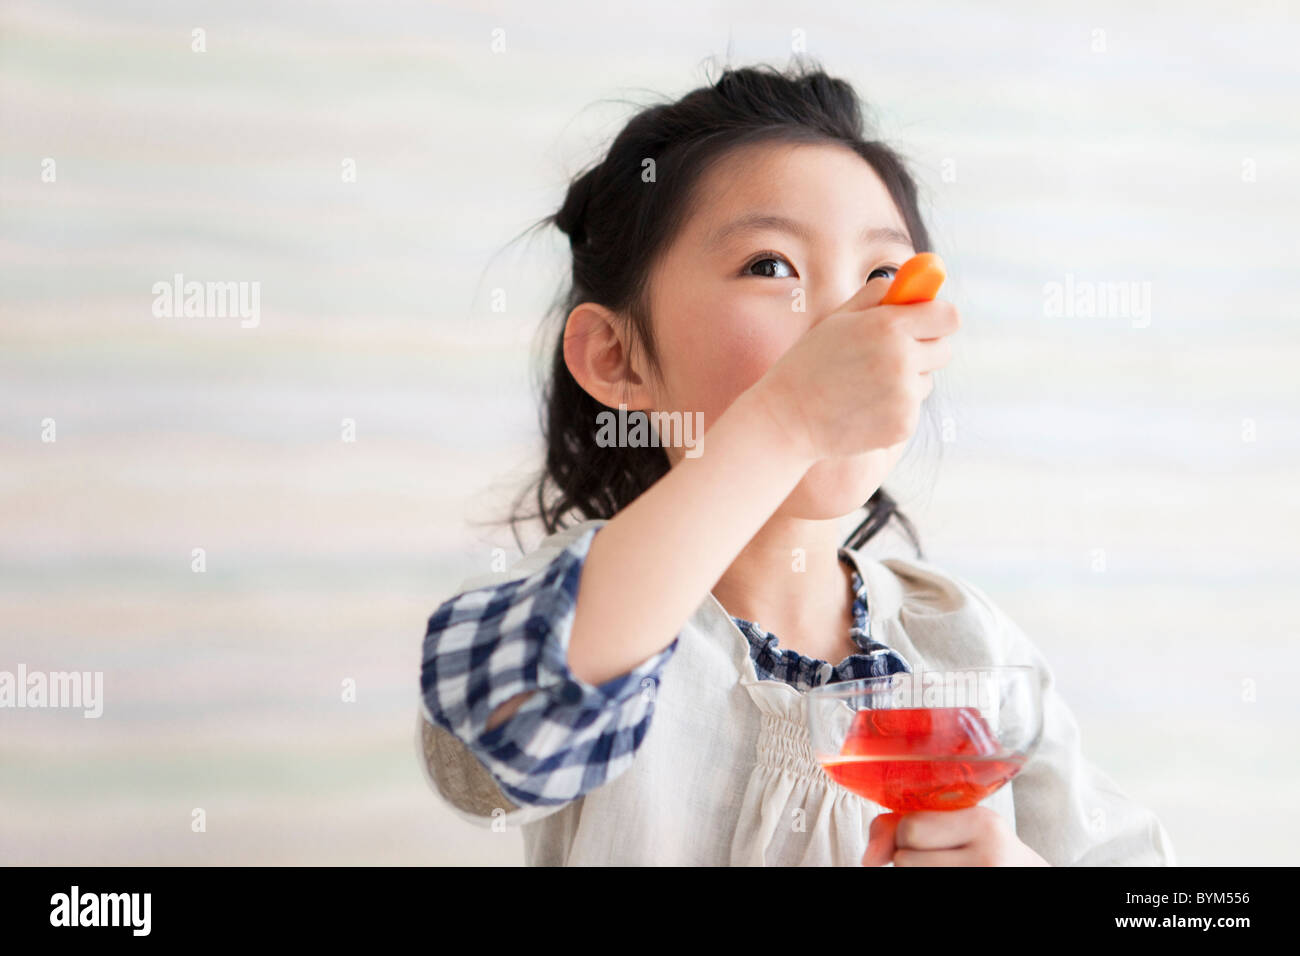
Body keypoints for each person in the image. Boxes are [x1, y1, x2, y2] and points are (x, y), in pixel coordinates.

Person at [416, 59, 1177, 867]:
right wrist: (785, 417)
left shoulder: (970, 650)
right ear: (617, 357)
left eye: (883, 276)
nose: (848, 322)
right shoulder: (602, 613)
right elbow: (494, 741)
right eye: (771, 267)